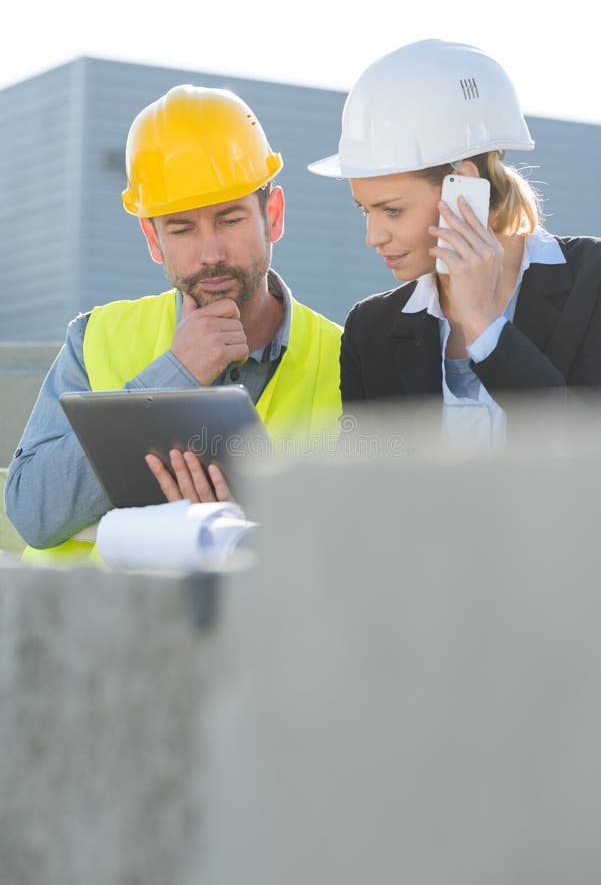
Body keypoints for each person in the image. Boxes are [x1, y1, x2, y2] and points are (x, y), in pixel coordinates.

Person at [5, 85, 342, 563]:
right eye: (181, 228)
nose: (211, 254)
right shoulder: (97, 339)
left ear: (274, 214)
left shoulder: (349, 359)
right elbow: (33, 514)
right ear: (152, 238)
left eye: (229, 220)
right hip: (93, 634)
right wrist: (177, 372)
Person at [308, 39, 601, 446]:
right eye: (365, 210)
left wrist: (484, 327)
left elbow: (587, 457)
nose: (373, 237)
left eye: (392, 210)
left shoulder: (593, 280)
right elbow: (367, 493)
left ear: (462, 187)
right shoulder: (368, 330)